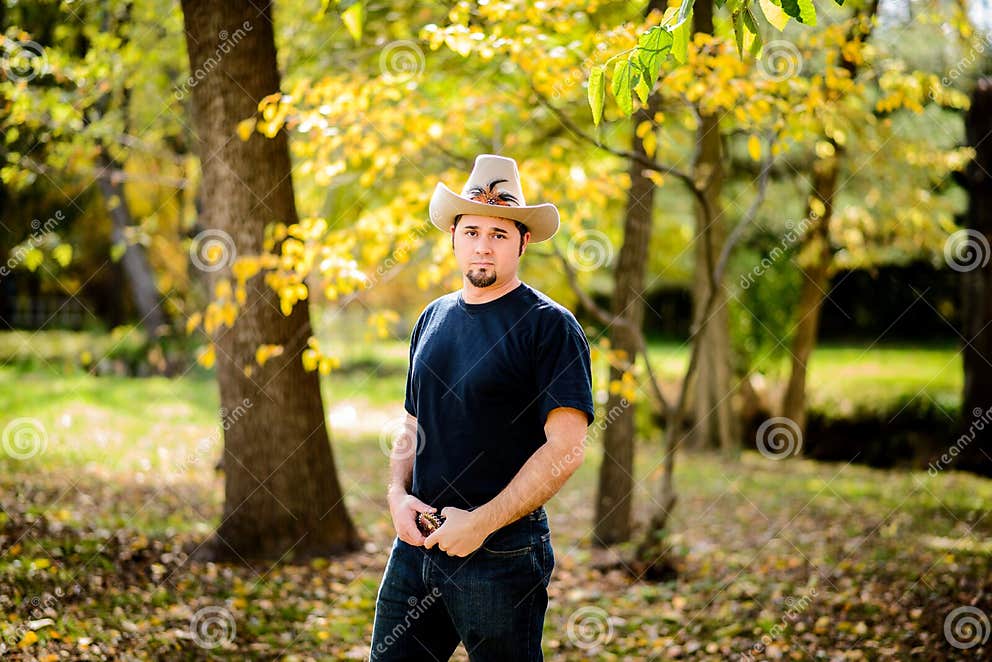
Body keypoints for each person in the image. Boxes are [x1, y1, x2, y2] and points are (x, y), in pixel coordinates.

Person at [369, 154, 595, 661]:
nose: (483, 246)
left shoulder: (550, 327)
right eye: (471, 231)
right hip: (416, 546)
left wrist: (481, 524)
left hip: (501, 553)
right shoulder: (432, 317)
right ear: (453, 235)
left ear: (523, 241)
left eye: (498, 234)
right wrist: (397, 496)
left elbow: (566, 448)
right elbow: (412, 422)